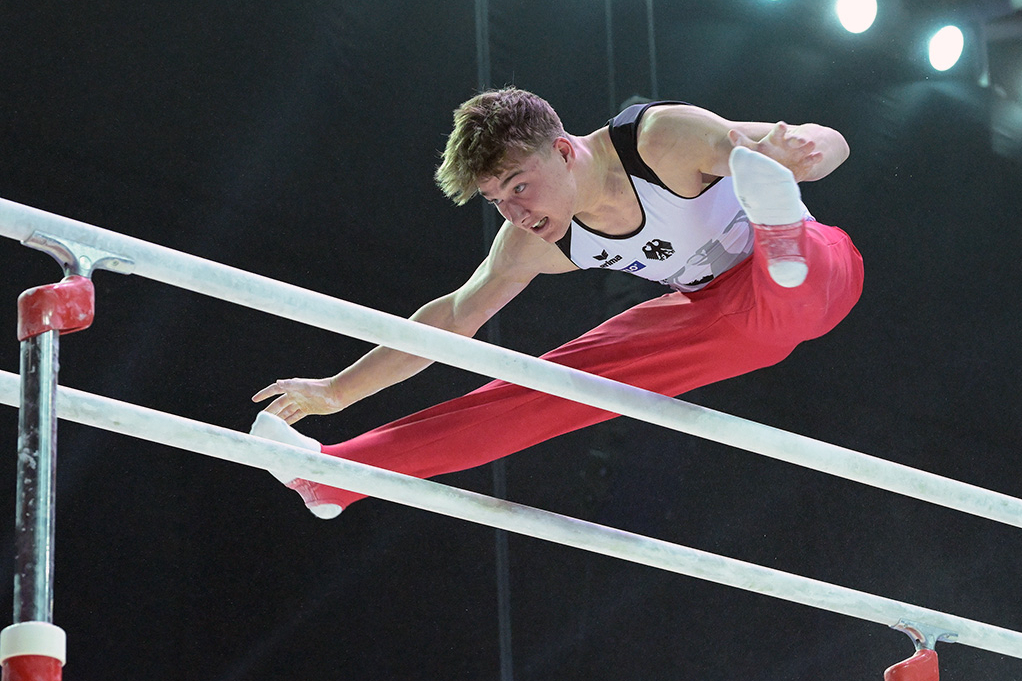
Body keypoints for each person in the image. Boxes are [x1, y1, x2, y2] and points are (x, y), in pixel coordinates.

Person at [250, 87, 864, 519]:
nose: (516, 212)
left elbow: (829, 138)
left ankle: (782, 230)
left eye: (520, 186)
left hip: (823, 273)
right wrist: (338, 392)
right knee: (541, 389)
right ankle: (335, 474)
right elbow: (452, 318)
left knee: (788, 274)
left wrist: (799, 157)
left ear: (565, 150)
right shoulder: (532, 241)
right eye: (497, 199)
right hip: (717, 317)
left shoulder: (661, 140)